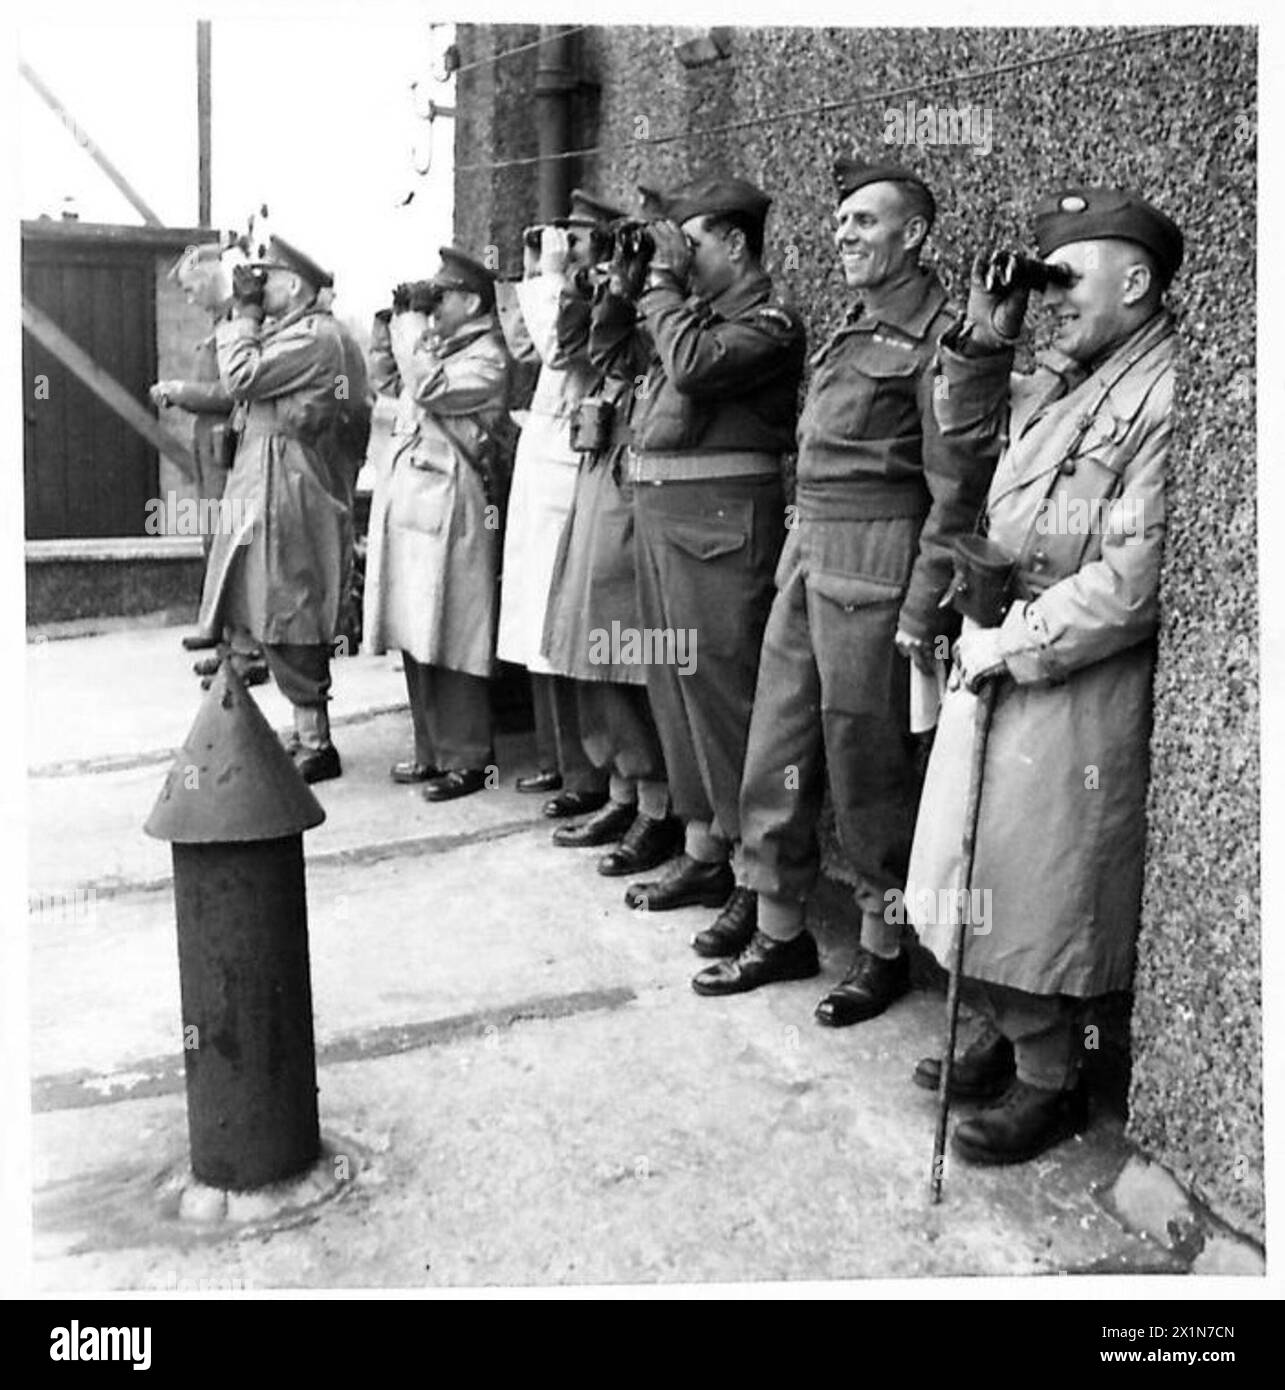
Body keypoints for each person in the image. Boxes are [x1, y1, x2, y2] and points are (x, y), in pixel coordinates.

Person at [905, 186, 1183, 1165]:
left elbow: (1133, 581)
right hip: (1000, 645)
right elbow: (963, 452)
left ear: (1139, 281)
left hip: (1064, 667)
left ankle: (1051, 1074)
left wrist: (1016, 637)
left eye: (1074, 275)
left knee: (1034, 878)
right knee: (966, 863)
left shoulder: (1163, 391)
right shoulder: (1072, 370)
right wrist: (984, 345)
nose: (1056, 294)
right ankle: (1004, 1019)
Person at [691, 160, 992, 1028]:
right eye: (841, 222)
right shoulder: (851, 330)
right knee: (775, 743)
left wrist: (921, 604)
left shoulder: (945, 341)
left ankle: (882, 949)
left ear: (915, 235)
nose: (843, 235)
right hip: (810, 549)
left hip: (879, 557)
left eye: (864, 221)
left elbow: (956, 488)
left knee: (869, 767)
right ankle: (780, 929)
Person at [615, 175, 807, 914]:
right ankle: (702, 848)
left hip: (720, 532)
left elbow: (692, 368)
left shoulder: (770, 322)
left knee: (724, 701)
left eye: (690, 243)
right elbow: (620, 353)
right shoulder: (684, 315)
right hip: (667, 524)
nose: (679, 257)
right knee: (672, 690)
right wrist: (631, 286)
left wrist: (662, 286)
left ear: (734, 243)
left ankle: (749, 875)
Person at [540, 192, 683, 876]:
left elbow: (648, 361)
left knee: (621, 642)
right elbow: (579, 352)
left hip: (637, 477)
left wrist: (640, 286)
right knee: (586, 632)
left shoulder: (680, 306)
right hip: (604, 468)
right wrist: (583, 286)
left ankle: (654, 801)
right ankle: (622, 788)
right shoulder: (619, 294)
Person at [197, 234, 355, 783]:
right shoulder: (287, 334)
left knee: (291, 601)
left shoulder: (316, 337)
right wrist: (240, 314)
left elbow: (240, 376)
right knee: (261, 600)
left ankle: (317, 741)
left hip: (288, 480)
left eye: (269, 279)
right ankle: (305, 730)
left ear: (295, 285)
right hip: (263, 475)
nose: (261, 289)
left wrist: (241, 313)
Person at [363, 249, 511, 802]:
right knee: (416, 629)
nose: (434, 306)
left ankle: (468, 757)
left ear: (471, 302)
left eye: (441, 296)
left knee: (453, 629)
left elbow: (427, 388)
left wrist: (409, 328)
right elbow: (387, 380)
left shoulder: (487, 357)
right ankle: (430, 750)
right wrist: (391, 323)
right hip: (418, 504)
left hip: (455, 505)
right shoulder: (438, 347)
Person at [496, 192, 616, 820]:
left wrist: (550, 278)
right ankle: (556, 758)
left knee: (567, 627)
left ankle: (587, 772)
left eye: (577, 239)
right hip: (546, 467)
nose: (564, 251)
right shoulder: (565, 292)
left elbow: (561, 349)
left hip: (574, 474)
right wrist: (529, 274)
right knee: (537, 624)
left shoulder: (603, 297)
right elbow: (525, 345)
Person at [152, 242, 267, 687]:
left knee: (233, 548)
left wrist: (180, 390)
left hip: (229, 450)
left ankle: (246, 652)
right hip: (213, 451)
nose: (188, 299)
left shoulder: (240, 325)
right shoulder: (223, 324)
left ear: (208, 275)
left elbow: (234, 391)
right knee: (217, 546)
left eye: (188, 288)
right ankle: (226, 648)